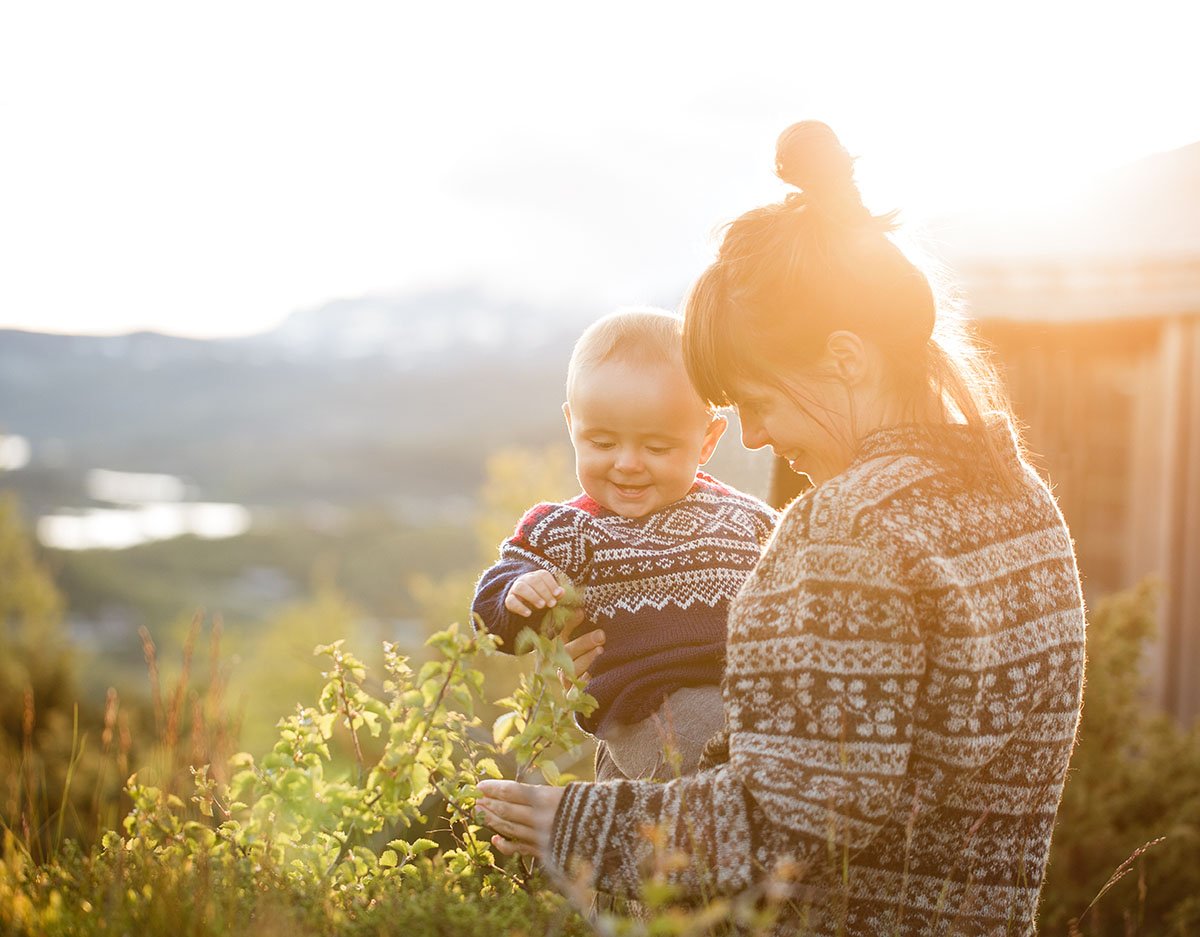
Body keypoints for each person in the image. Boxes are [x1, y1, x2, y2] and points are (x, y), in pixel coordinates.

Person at [476, 121, 1087, 936]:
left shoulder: (848, 529)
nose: (757, 436)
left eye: (758, 401)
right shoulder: (1024, 505)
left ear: (846, 359)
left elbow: (792, 815)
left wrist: (571, 822)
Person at [472, 308, 777, 781]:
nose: (628, 464)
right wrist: (519, 592)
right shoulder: (568, 530)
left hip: (749, 694)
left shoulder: (746, 518)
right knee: (731, 770)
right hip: (649, 707)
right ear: (572, 425)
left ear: (707, 439)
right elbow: (493, 617)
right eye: (602, 443)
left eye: (657, 448)